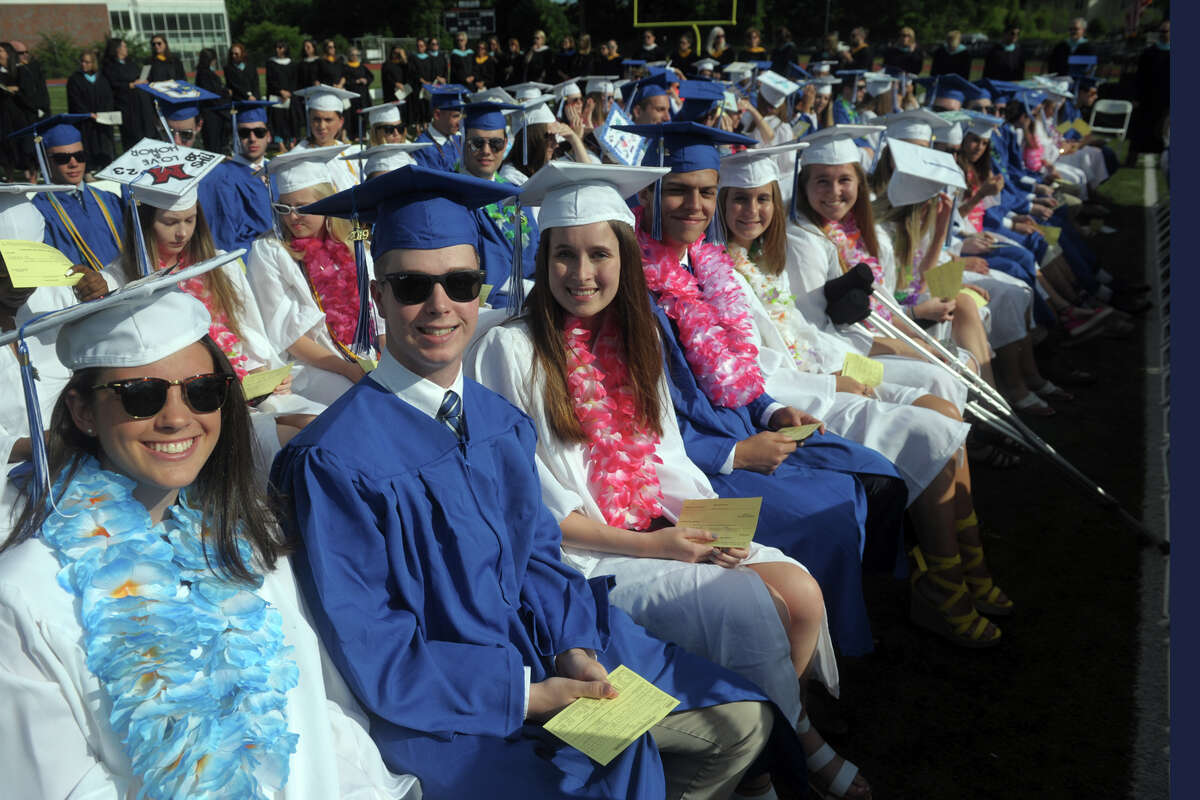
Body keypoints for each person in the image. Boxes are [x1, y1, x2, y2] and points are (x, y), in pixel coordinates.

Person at [274, 163, 776, 800]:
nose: (439, 305)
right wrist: (530, 695)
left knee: (743, 723)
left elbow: (539, 554)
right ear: (378, 295)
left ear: (480, 292)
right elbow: (375, 645)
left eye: (460, 283)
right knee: (600, 774)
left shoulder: (499, 422)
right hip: (451, 705)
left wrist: (573, 648)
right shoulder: (335, 461)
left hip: (547, 648)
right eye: (411, 286)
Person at [469, 161, 873, 799]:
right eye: (564, 255)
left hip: (656, 525)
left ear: (624, 259)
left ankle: (781, 738)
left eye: (599, 254)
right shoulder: (510, 351)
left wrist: (707, 528)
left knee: (801, 593)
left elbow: (668, 460)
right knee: (753, 605)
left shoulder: (636, 339)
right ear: (543, 262)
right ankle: (779, 758)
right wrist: (661, 545)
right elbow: (536, 515)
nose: (581, 273)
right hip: (585, 556)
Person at [0, 281, 421, 799]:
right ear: (84, 412)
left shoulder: (246, 536)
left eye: (202, 390)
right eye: (141, 395)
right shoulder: (24, 598)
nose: (177, 418)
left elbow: (315, 714)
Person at [618, 121, 909, 657]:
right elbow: (639, 421)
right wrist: (735, 454)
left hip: (747, 424)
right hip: (696, 464)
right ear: (646, 195)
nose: (696, 206)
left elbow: (734, 368)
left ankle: (852, 612)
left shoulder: (707, 266)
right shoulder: (631, 287)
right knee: (827, 515)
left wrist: (772, 409)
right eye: (678, 190)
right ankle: (817, 652)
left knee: (875, 473)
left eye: (707, 192)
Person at [719, 144, 1008, 646]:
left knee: (942, 391)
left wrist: (881, 354)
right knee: (936, 409)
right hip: (806, 391)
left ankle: (960, 557)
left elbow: (809, 330)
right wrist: (845, 376)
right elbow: (772, 360)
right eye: (739, 199)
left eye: (762, 199)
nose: (753, 210)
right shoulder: (743, 265)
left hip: (826, 364)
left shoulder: (767, 258)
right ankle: (943, 575)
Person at [249, 147, 383, 405]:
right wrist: (347, 369)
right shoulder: (270, 250)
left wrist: (387, 360)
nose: (292, 217)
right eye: (284, 208)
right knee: (359, 400)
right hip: (311, 366)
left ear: (326, 203)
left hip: (365, 355)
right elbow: (287, 335)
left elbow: (379, 315)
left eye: (303, 207)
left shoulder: (353, 243)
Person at [153, 93, 274, 255]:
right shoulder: (220, 176)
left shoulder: (278, 169)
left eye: (259, 132)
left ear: (269, 135)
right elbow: (222, 234)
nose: (176, 142)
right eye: (244, 133)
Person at [459, 102, 540, 307]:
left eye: (495, 143)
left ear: (505, 144)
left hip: (533, 299)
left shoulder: (514, 193)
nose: (487, 151)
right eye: (477, 143)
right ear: (464, 142)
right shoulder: (454, 196)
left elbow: (535, 248)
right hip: (488, 308)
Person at [21, 116, 124, 271]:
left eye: (80, 156)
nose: (74, 163)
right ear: (46, 161)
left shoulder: (108, 199)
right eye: (62, 158)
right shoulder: (38, 210)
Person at [291, 84, 363, 191]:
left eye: (328, 120)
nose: (322, 126)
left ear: (340, 122)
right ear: (309, 120)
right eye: (316, 119)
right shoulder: (298, 157)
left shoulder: (347, 152)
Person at [66, 50, 116, 171]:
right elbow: (74, 100)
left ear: (93, 63)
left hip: (102, 119)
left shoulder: (102, 78)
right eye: (82, 62)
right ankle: (88, 170)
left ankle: (105, 167)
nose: (84, 64)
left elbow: (108, 98)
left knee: (104, 144)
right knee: (86, 144)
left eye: (87, 62)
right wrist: (87, 113)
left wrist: (104, 113)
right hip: (85, 120)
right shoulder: (75, 79)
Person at [100, 37, 147, 150]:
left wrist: (142, 81)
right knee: (130, 135)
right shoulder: (109, 66)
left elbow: (136, 76)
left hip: (138, 103)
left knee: (142, 133)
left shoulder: (130, 63)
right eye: (124, 46)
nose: (126, 49)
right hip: (123, 104)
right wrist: (130, 85)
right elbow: (111, 84)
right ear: (117, 49)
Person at [412, 84, 466, 173]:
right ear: (437, 115)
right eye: (455, 116)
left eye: (461, 116)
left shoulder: (457, 140)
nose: (460, 123)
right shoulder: (423, 148)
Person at [194, 48, 231, 154]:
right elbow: (212, 94)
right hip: (212, 112)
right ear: (213, 60)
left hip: (213, 112)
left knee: (216, 143)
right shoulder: (205, 74)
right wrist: (226, 94)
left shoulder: (204, 73)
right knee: (213, 145)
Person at [265, 40, 299, 149]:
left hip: (290, 97)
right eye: (276, 47)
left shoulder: (292, 64)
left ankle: (292, 143)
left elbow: (295, 80)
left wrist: (289, 93)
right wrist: (280, 91)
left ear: (285, 49)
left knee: (291, 121)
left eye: (280, 47)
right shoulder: (271, 63)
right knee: (277, 122)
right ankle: (280, 144)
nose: (277, 49)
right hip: (276, 97)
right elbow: (270, 80)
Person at [343, 47, 374, 115]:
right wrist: (356, 81)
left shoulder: (362, 66)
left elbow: (371, 76)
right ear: (348, 55)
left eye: (356, 55)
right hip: (352, 96)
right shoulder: (345, 68)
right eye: (352, 55)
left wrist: (366, 80)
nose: (355, 56)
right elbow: (344, 81)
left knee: (366, 116)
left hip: (364, 96)